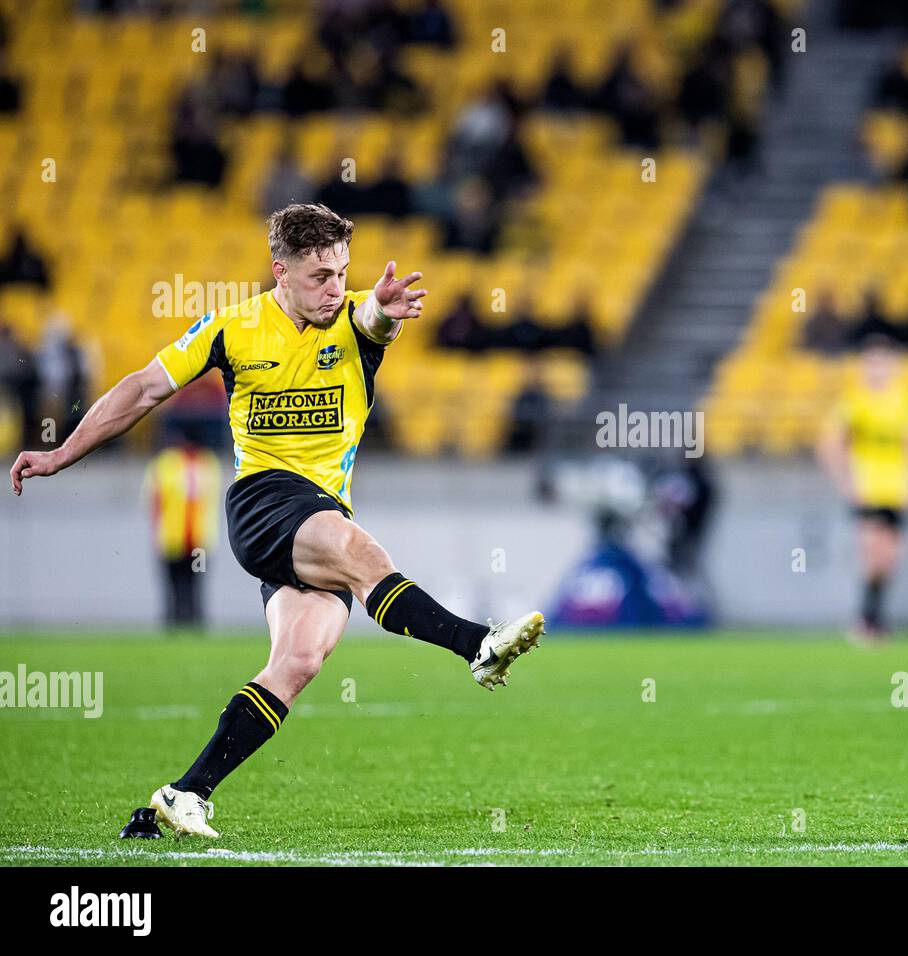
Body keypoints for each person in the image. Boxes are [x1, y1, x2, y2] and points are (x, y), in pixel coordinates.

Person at [9, 203, 545, 839]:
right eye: (320, 276)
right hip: (263, 503)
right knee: (361, 552)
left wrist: (377, 306)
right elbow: (144, 389)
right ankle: (476, 646)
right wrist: (62, 452)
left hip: (317, 517)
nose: (335, 289)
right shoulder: (233, 328)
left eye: (342, 273)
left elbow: (373, 316)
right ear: (280, 270)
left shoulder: (358, 320)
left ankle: (181, 796)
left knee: (298, 662)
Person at [817, 338, 908, 640]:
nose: (877, 371)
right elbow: (830, 442)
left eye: (883, 364)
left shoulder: (906, 401)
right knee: (872, 551)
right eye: (872, 364)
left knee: (891, 556)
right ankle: (866, 620)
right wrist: (845, 481)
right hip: (867, 487)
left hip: (896, 489)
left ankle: (874, 616)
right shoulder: (855, 401)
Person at [144, 431, 222, 630]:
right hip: (178, 537)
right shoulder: (204, 464)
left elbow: (154, 498)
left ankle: (192, 621)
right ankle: (177, 621)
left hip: (194, 538)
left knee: (192, 583)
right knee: (176, 583)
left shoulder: (170, 463)